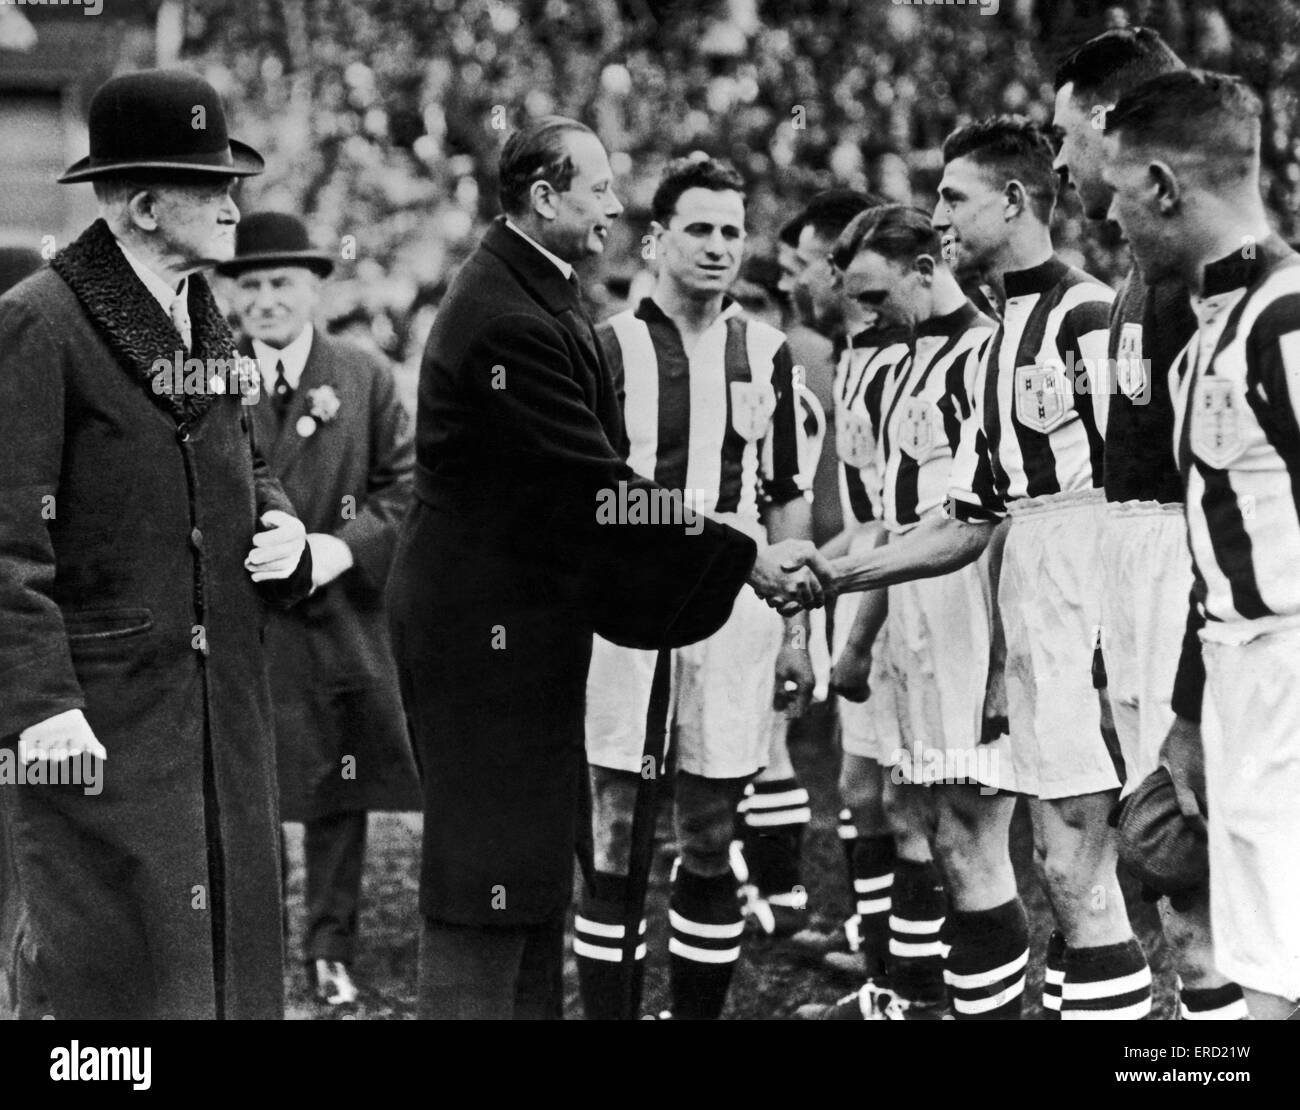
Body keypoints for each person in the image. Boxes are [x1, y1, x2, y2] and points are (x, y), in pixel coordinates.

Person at [386, 116, 827, 1020]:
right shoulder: (516, 318)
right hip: (491, 626)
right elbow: (597, 485)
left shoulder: (540, 293)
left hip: (543, 615)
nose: (613, 207)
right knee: (492, 868)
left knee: (537, 857)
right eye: (597, 189)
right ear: (544, 198)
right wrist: (742, 559)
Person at [795, 117, 1157, 1020]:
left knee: (1079, 868)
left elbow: (1144, 491)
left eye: (954, 196)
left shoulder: (1089, 314)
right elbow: (965, 522)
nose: (939, 215)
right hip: (1030, 596)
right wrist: (834, 581)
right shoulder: (1000, 342)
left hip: (1087, 599)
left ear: (1015, 199)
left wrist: (1121, 642)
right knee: (1041, 862)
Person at [0, 69, 312, 1020]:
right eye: (211, 185)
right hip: (100, 728)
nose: (233, 204)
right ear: (141, 203)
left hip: (218, 717)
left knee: (226, 975)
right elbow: (7, 545)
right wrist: (42, 709)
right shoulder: (38, 323)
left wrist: (282, 524)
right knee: (111, 993)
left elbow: (241, 467)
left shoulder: (201, 316)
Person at [575, 157, 821, 1019]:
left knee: (710, 831)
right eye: (700, 229)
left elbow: (788, 494)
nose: (719, 247)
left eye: (731, 231)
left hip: (737, 605)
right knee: (615, 829)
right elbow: (589, 489)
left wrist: (798, 632)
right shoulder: (607, 347)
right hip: (627, 605)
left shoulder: (770, 352)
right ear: (656, 240)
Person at [1052, 28, 1247, 1022]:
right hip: (1140, 570)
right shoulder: (1139, 270)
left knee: (1208, 882)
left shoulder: (1216, 275)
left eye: (1064, 134)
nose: (1056, 162)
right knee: (1175, 884)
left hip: (1193, 579)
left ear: (1107, 122)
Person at [1104, 68, 1300, 1021]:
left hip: (1292, 676)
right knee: (1261, 969)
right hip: (1240, 685)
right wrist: (1188, 715)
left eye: (1115, 190)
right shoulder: (1202, 341)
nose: (1109, 214)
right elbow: (1211, 556)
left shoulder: (1287, 318)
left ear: (1163, 185)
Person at [800, 205, 1020, 1019]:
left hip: (970, 617)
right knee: (930, 821)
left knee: (977, 839)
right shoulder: (909, 363)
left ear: (925, 271)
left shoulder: (982, 354)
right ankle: (917, 997)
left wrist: (998, 663)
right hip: (918, 611)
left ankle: (949, 1002)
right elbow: (899, 516)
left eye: (874, 293)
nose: (866, 313)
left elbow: (990, 522)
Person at [217, 211, 420, 1008]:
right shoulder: (212, 375)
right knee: (247, 789)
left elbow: (405, 491)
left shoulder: (363, 375)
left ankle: (331, 949)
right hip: (247, 624)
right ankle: (255, 944)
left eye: (281, 283)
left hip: (337, 619)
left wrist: (331, 552)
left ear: (313, 287)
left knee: (341, 785)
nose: (265, 299)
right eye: (251, 284)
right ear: (231, 295)